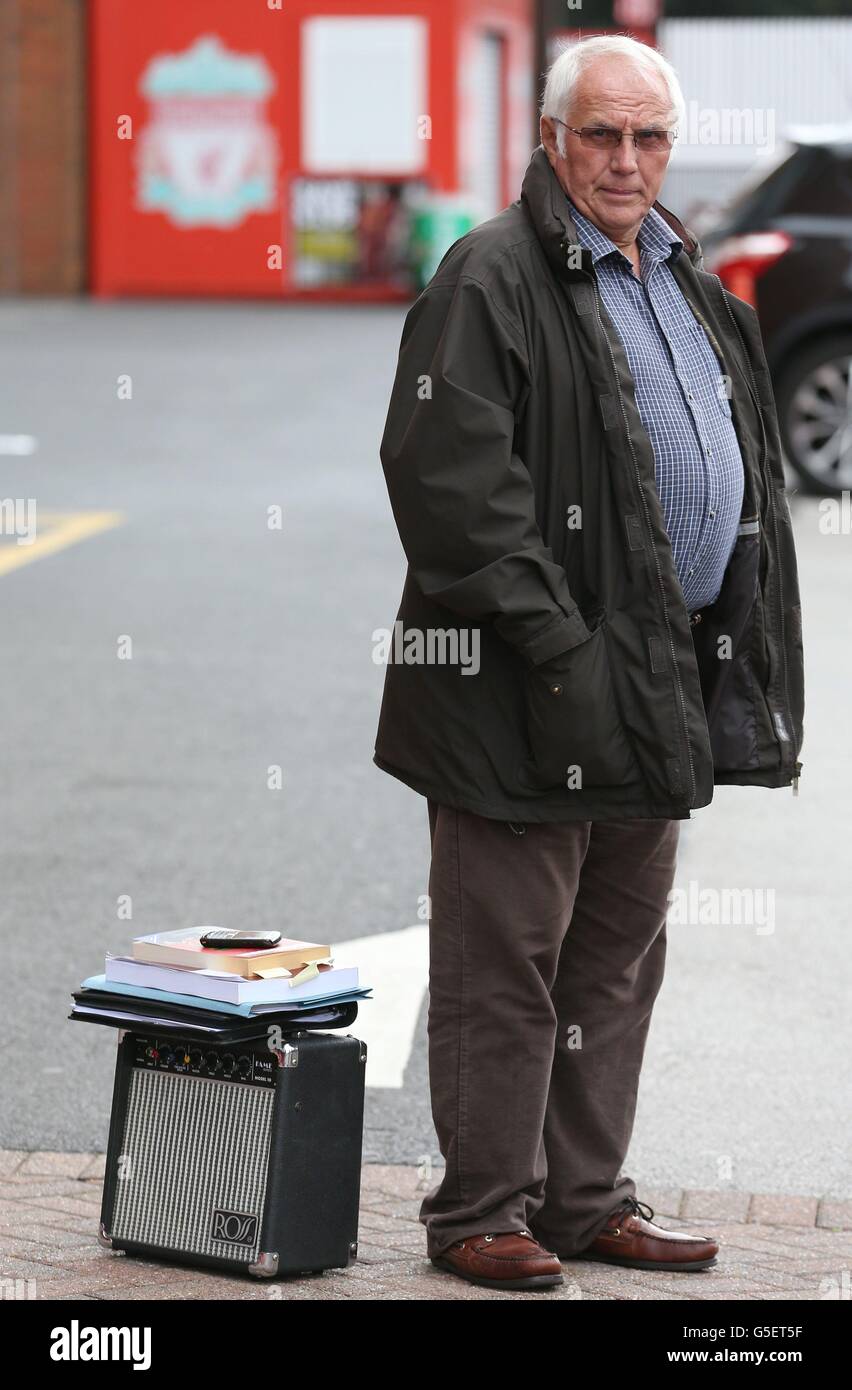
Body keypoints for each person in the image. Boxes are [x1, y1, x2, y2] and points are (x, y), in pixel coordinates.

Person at [373, 34, 805, 1291]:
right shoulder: (489, 277)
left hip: (662, 669)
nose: (627, 160)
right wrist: (561, 641)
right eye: (603, 134)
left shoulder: (684, 277)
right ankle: (480, 1216)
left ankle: (582, 1200)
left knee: (612, 957)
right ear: (553, 138)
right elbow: (449, 490)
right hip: (528, 677)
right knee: (507, 956)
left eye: (650, 137)